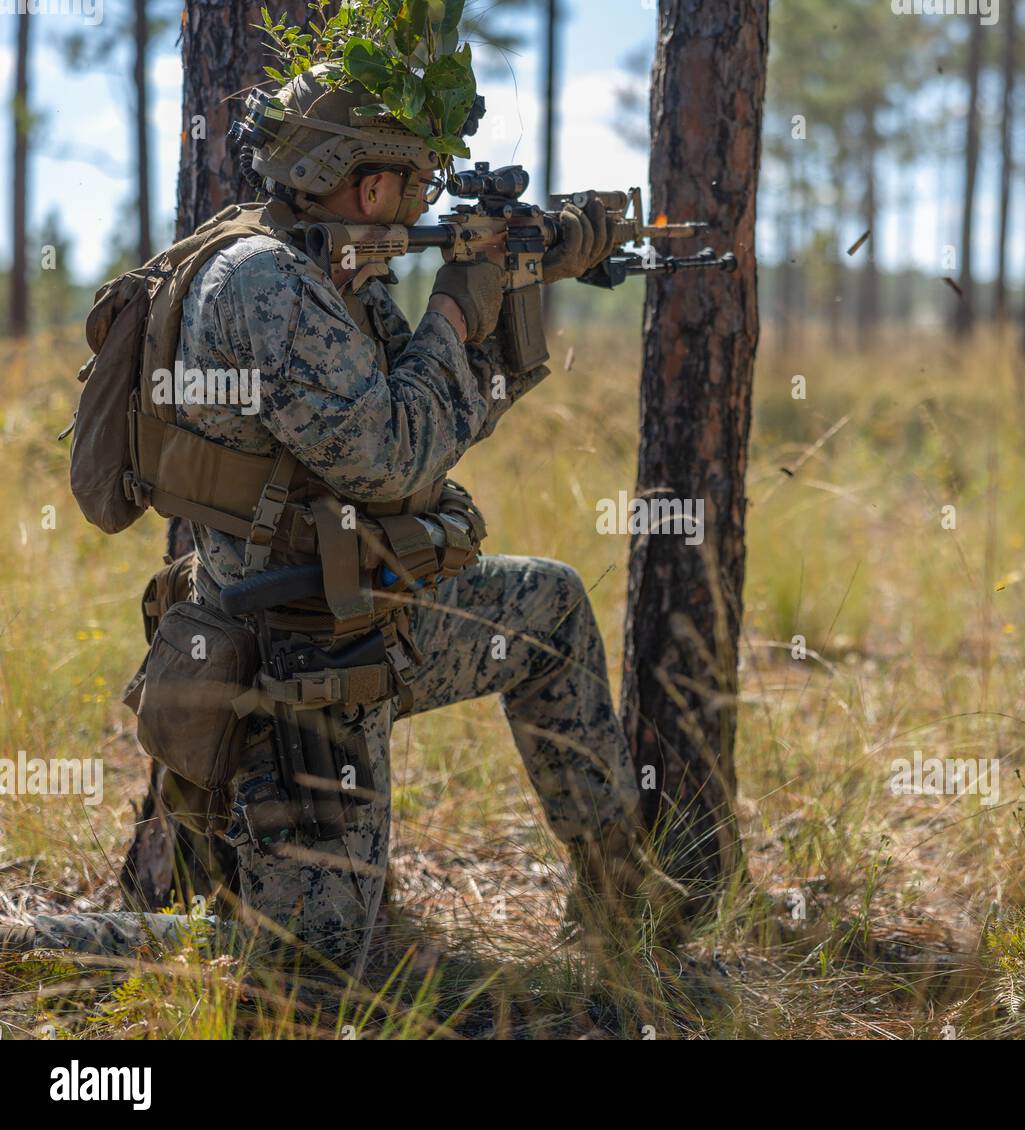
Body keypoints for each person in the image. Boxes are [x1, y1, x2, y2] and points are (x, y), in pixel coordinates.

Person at [0, 64, 686, 973]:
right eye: (415, 184)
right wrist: (451, 309)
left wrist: (515, 286)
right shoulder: (266, 285)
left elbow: (433, 427)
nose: (419, 206)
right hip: (299, 664)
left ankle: (619, 901)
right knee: (310, 975)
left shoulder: (326, 274)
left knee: (548, 609)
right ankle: (32, 944)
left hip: (363, 619)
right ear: (371, 183)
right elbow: (390, 455)